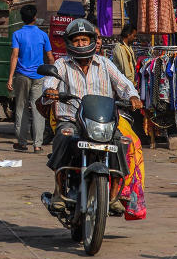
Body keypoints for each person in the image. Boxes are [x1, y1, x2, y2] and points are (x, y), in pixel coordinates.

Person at [37, 18, 142, 215]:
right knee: (63, 137)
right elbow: (49, 80)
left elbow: (123, 83)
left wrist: (133, 96)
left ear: (92, 40)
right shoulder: (62, 64)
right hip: (71, 120)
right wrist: (51, 90)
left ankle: (113, 196)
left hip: (101, 121)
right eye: (76, 40)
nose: (81, 44)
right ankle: (59, 191)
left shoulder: (105, 64)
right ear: (69, 42)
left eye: (84, 39)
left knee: (121, 142)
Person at [7, 2, 55, 153]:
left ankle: (22, 143)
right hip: (39, 77)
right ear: (35, 17)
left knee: (21, 108)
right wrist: (51, 76)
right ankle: (37, 144)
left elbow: (15, 56)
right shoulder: (42, 35)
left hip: (21, 76)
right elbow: (50, 58)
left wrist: (10, 78)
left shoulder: (17, 34)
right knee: (38, 110)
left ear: (22, 18)